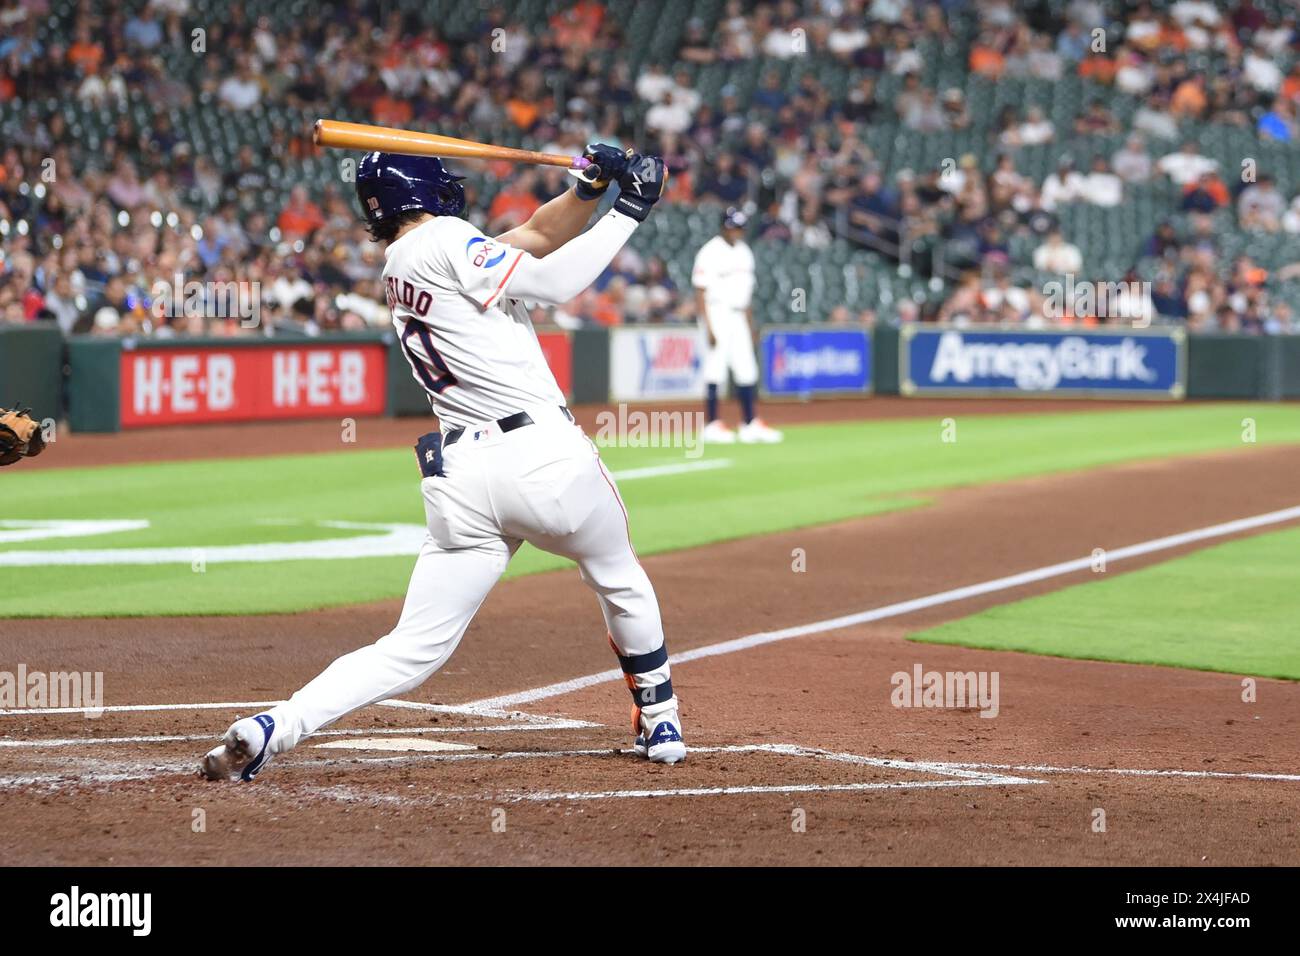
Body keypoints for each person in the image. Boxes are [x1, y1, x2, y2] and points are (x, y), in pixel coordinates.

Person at [201, 145, 688, 780]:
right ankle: (660, 719)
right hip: (542, 459)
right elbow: (554, 281)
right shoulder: (448, 240)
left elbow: (538, 235)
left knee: (411, 647)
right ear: (423, 190)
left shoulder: (406, 260)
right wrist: (631, 207)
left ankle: (275, 726)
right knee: (618, 574)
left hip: (462, 478)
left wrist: (590, 192)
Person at [691, 208, 782, 444]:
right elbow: (700, 291)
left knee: (747, 368)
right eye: (733, 227)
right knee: (715, 368)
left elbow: (747, 293)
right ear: (724, 227)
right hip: (716, 311)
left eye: (740, 227)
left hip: (739, 314)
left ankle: (749, 423)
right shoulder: (710, 251)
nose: (737, 231)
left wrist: (750, 324)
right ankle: (711, 425)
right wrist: (708, 326)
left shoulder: (744, 252)